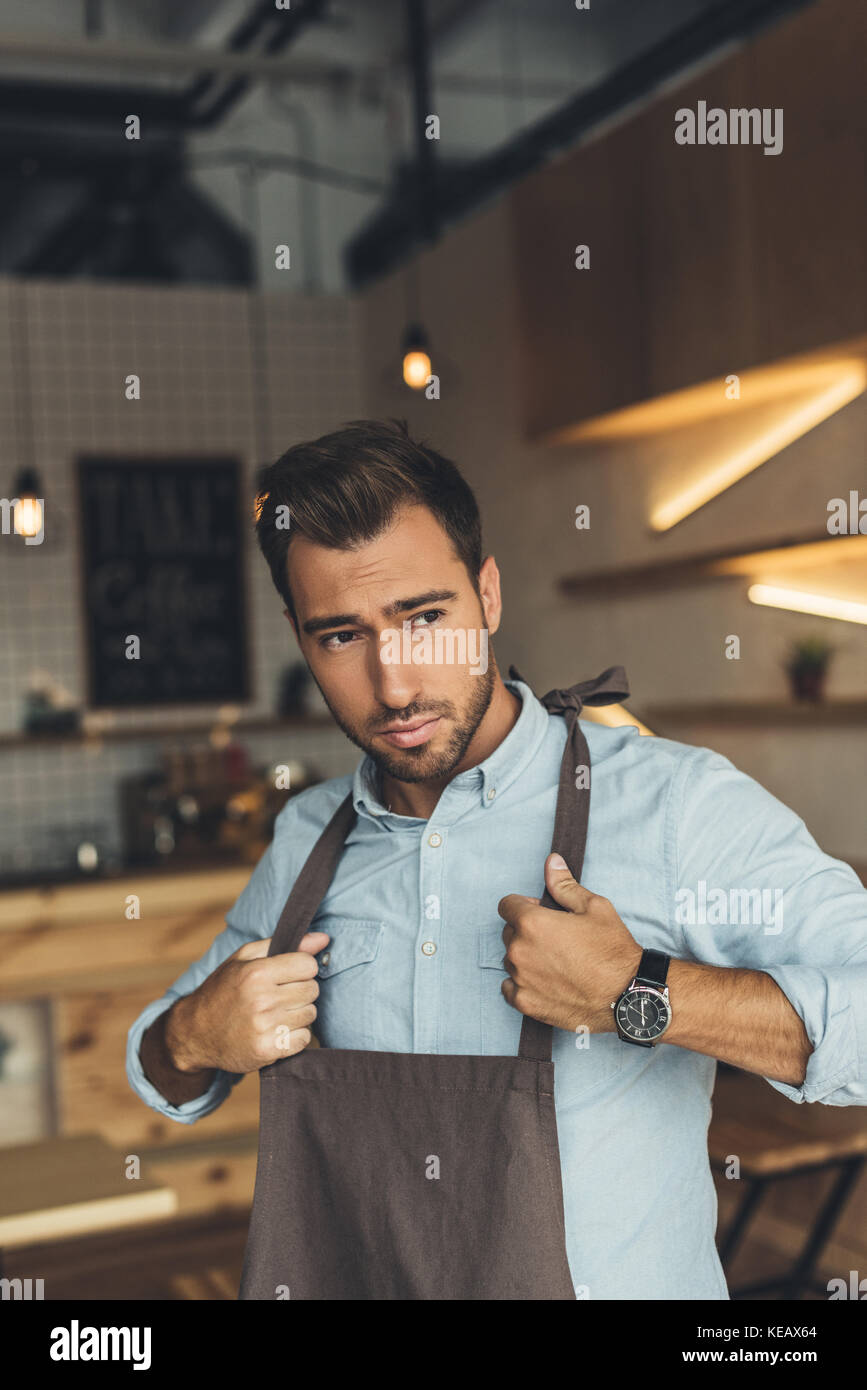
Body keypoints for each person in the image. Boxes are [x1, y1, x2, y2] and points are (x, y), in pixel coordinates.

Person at [128, 418, 867, 1300]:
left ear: (487, 595)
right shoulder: (309, 838)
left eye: (423, 617)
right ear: (299, 638)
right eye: (341, 636)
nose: (394, 683)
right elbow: (158, 1061)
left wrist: (638, 993)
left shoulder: (676, 807)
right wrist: (195, 1034)